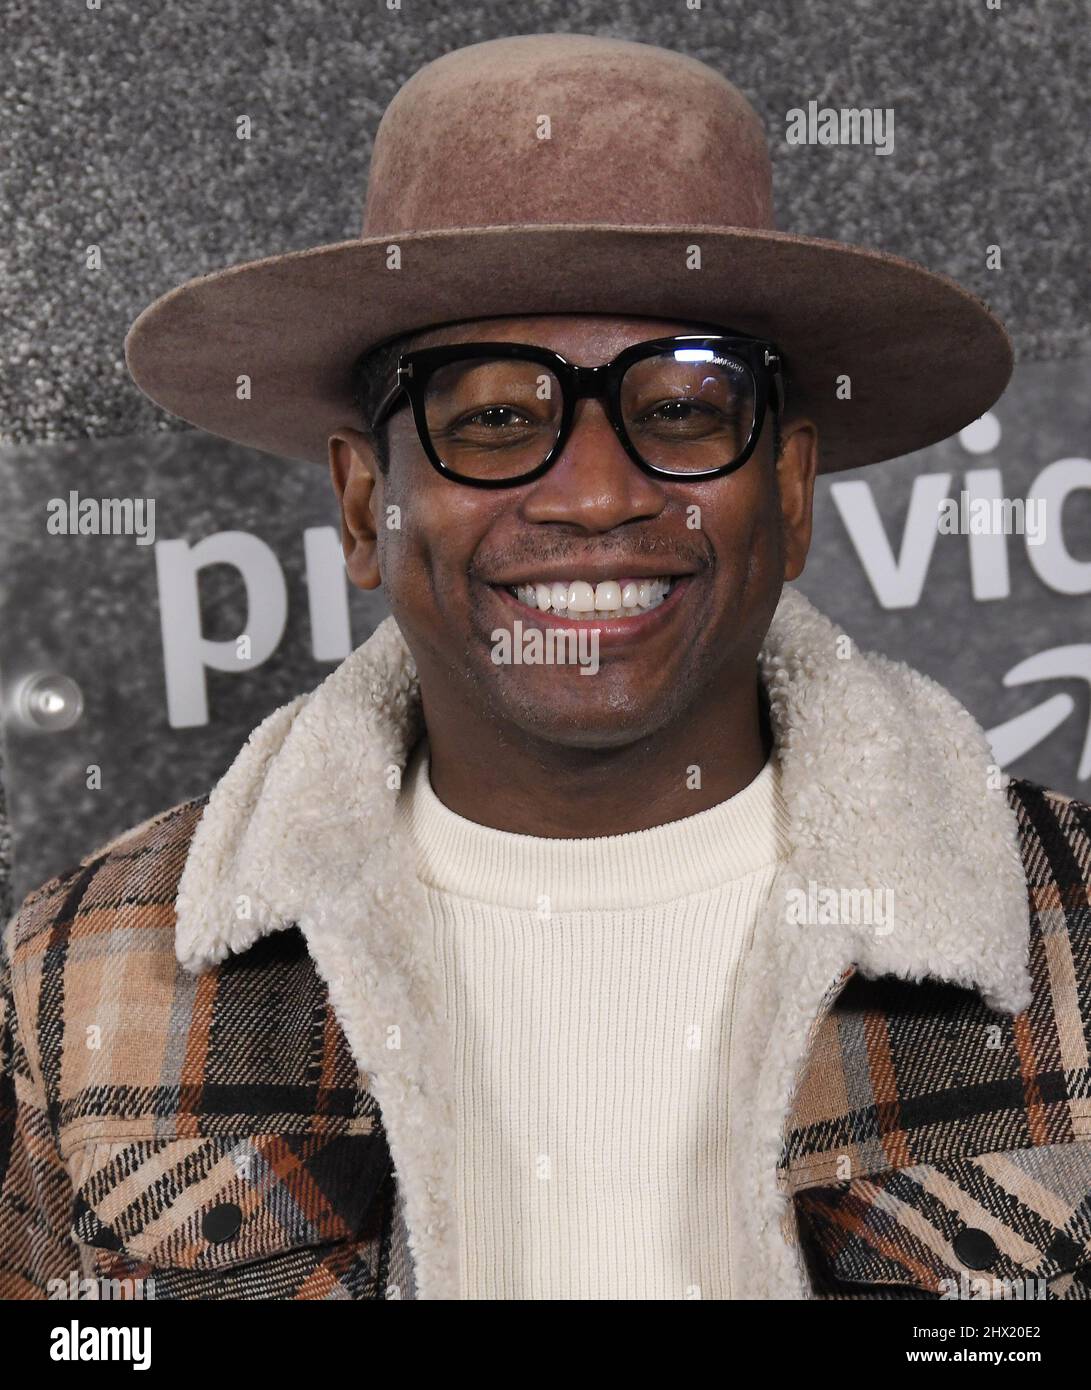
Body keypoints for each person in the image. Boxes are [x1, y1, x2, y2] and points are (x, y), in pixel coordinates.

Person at [3, 33, 1089, 1302]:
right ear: (363, 510)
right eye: (495, 417)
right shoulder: (85, 980)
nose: (591, 492)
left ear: (788, 493)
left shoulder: (1068, 943)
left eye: (681, 406)